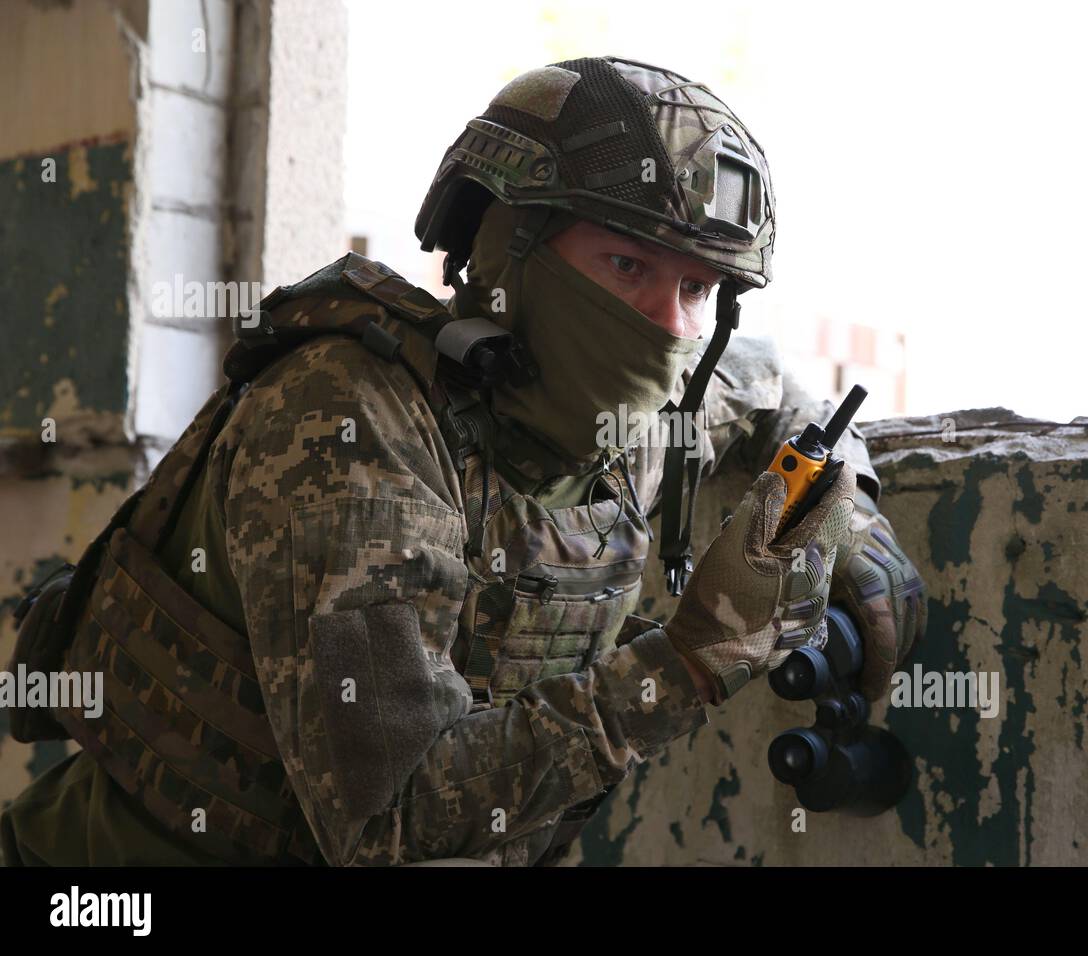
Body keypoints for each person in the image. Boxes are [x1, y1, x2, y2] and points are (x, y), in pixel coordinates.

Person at [0, 56, 925, 867]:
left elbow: (785, 400)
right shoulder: (352, 421)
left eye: (697, 287)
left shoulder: (636, 402)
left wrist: (851, 501)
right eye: (626, 269)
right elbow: (391, 821)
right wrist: (689, 661)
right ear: (504, 248)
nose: (669, 328)